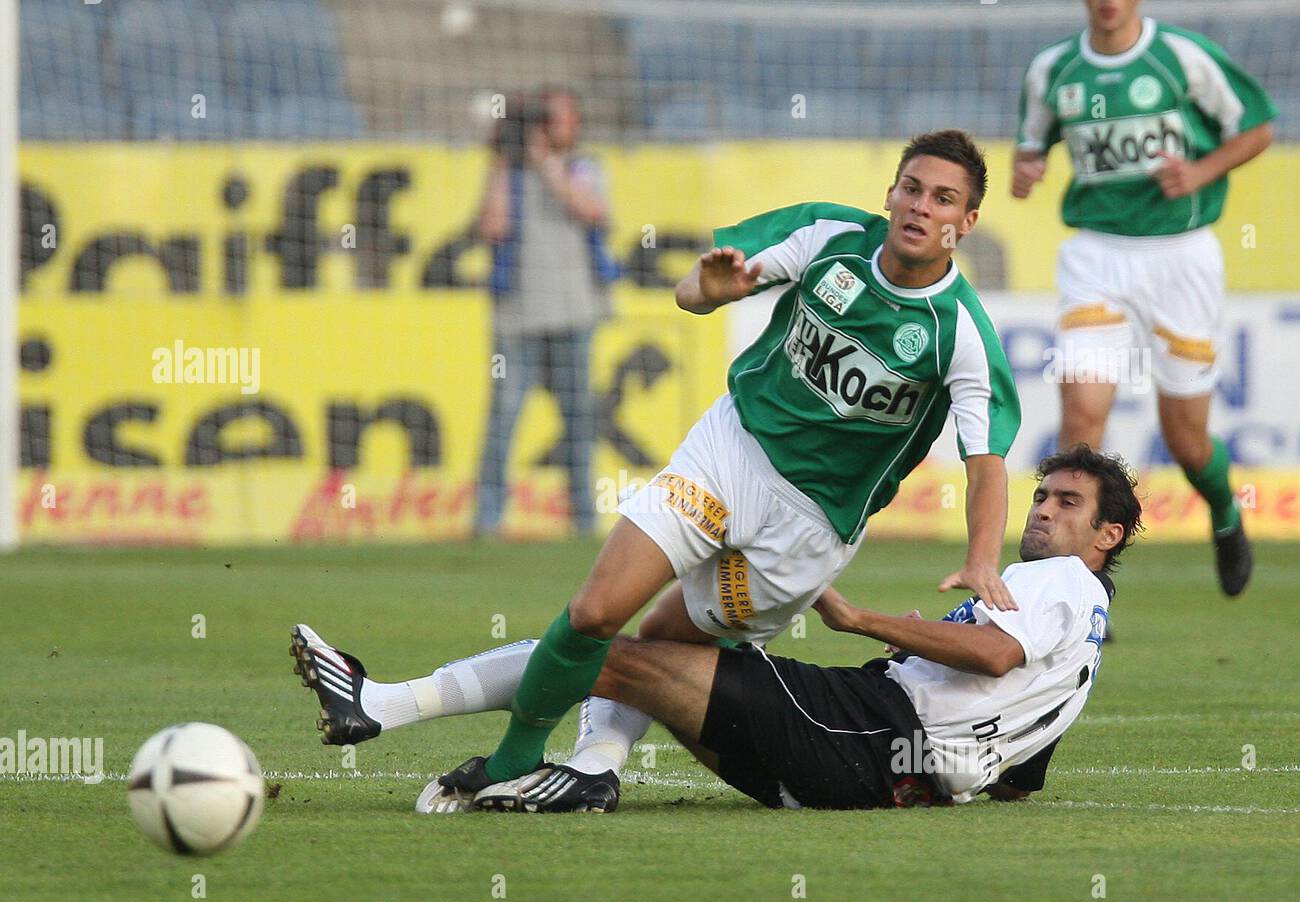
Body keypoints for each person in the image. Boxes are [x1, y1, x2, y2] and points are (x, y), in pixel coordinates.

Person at [292, 130, 1022, 812]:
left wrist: (982, 559)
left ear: (969, 219)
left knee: (651, 648)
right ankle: (502, 752)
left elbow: (985, 461)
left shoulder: (957, 332)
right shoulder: (833, 237)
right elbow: (695, 291)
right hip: (732, 449)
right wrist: (711, 290)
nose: (922, 206)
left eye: (943, 198)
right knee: (596, 612)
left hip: (806, 532)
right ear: (890, 194)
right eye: (912, 188)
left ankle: (592, 764)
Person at [292, 446, 1141, 813]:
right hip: (856, 765)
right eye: (1042, 495)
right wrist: (955, 779)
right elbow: (1022, 765)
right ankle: (592, 767)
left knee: (614, 649)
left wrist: (860, 618)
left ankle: (383, 704)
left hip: (864, 730)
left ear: (1107, 536)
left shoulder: (1058, 579)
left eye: (1068, 503)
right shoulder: (1085, 633)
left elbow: (995, 651)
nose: (1043, 511)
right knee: (676, 636)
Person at [1013, 0, 1274, 597]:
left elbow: (1257, 128)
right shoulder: (1051, 70)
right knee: (1080, 422)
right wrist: (1025, 170)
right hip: (1096, 258)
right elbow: (1031, 148)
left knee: (1185, 438)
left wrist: (1201, 173)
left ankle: (1225, 512)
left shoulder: (1181, 55)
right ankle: (1063, 586)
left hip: (1181, 256)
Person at [474, 87, 616, 537]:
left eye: (555, 118)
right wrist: (502, 157)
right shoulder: (508, 173)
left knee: (578, 423)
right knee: (503, 421)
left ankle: (583, 522)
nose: (548, 126)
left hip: (573, 314)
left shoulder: (583, 168)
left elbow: (591, 211)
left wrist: (542, 160)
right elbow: (492, 228)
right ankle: (487, 521)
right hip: (518, 318)